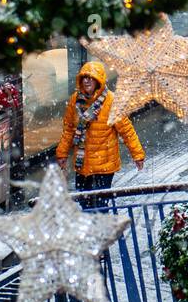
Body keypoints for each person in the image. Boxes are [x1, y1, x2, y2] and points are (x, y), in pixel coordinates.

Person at [56, 61, 144, 208]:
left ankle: (102, 229)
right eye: (84, 77)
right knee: (85, 205)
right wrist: (62, 153)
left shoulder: (111, 101)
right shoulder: (75, 100)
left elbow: (127, 131)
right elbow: (69, 129)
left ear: (99, 80)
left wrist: (138, 155)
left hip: (104, 165)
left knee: (100, 206)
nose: (86, 81)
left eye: (90, 77)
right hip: (83, 165)